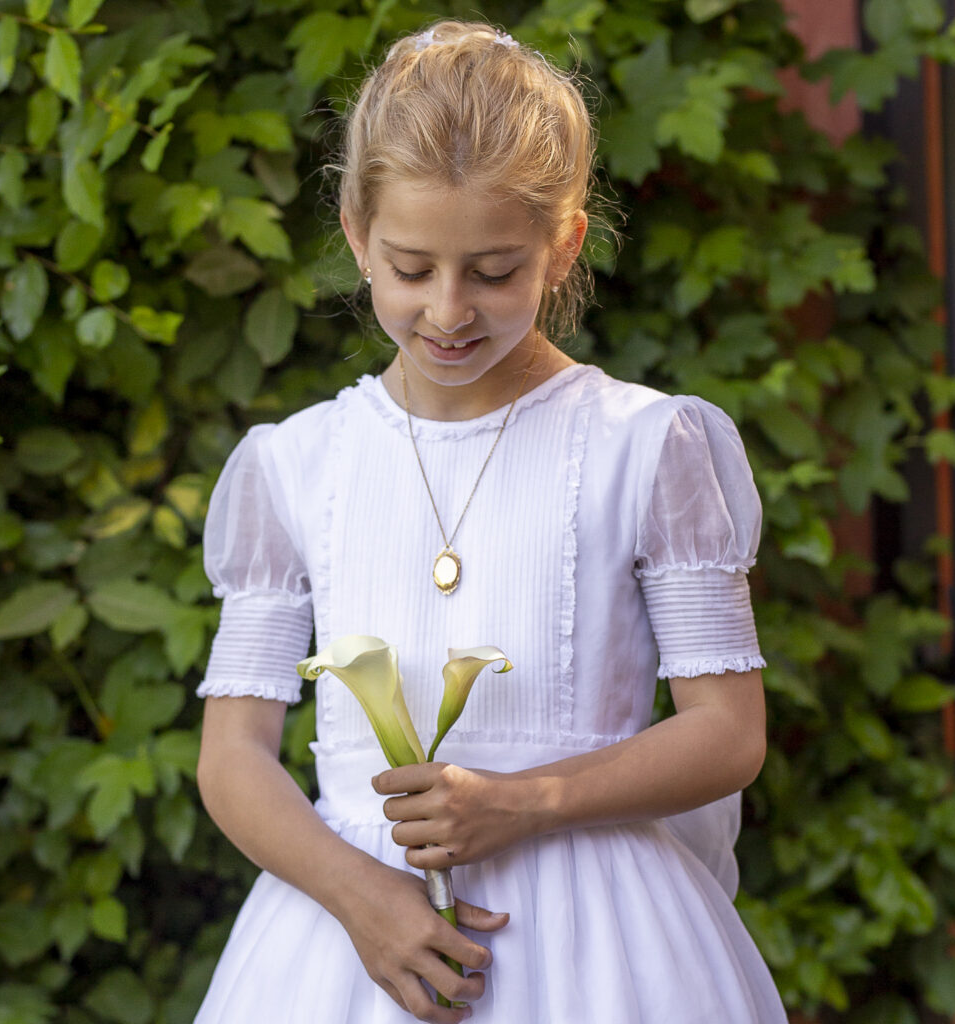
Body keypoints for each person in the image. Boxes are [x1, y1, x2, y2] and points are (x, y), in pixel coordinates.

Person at [193, 20, 786, 1024]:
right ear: (355, 235)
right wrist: (359, 896)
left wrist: (521, 800)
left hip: (607, 948)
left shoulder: (647, 447)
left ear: (564, 245)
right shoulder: (296, 466)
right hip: (347, 943)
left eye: (495, 271)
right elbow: (232, 755)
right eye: (412, 269)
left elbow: (727, 735)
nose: (450, 311)